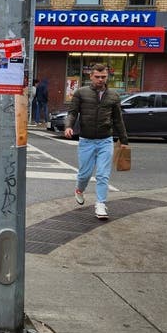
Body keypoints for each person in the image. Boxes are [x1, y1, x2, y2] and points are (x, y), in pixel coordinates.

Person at [64, 62, 129, 220]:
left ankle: (100, 204)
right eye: (98, 77)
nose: (101, 79)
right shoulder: (81, 93)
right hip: (86, 140)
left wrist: (124, 140)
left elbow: (118, 119)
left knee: (102, 174)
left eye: (103, 77)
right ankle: (79, 189)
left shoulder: (113, 95)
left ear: (107, 77)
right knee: (84, 174)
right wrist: (68, 126)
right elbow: (72, 112)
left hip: (105, 140)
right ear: (91, 76)